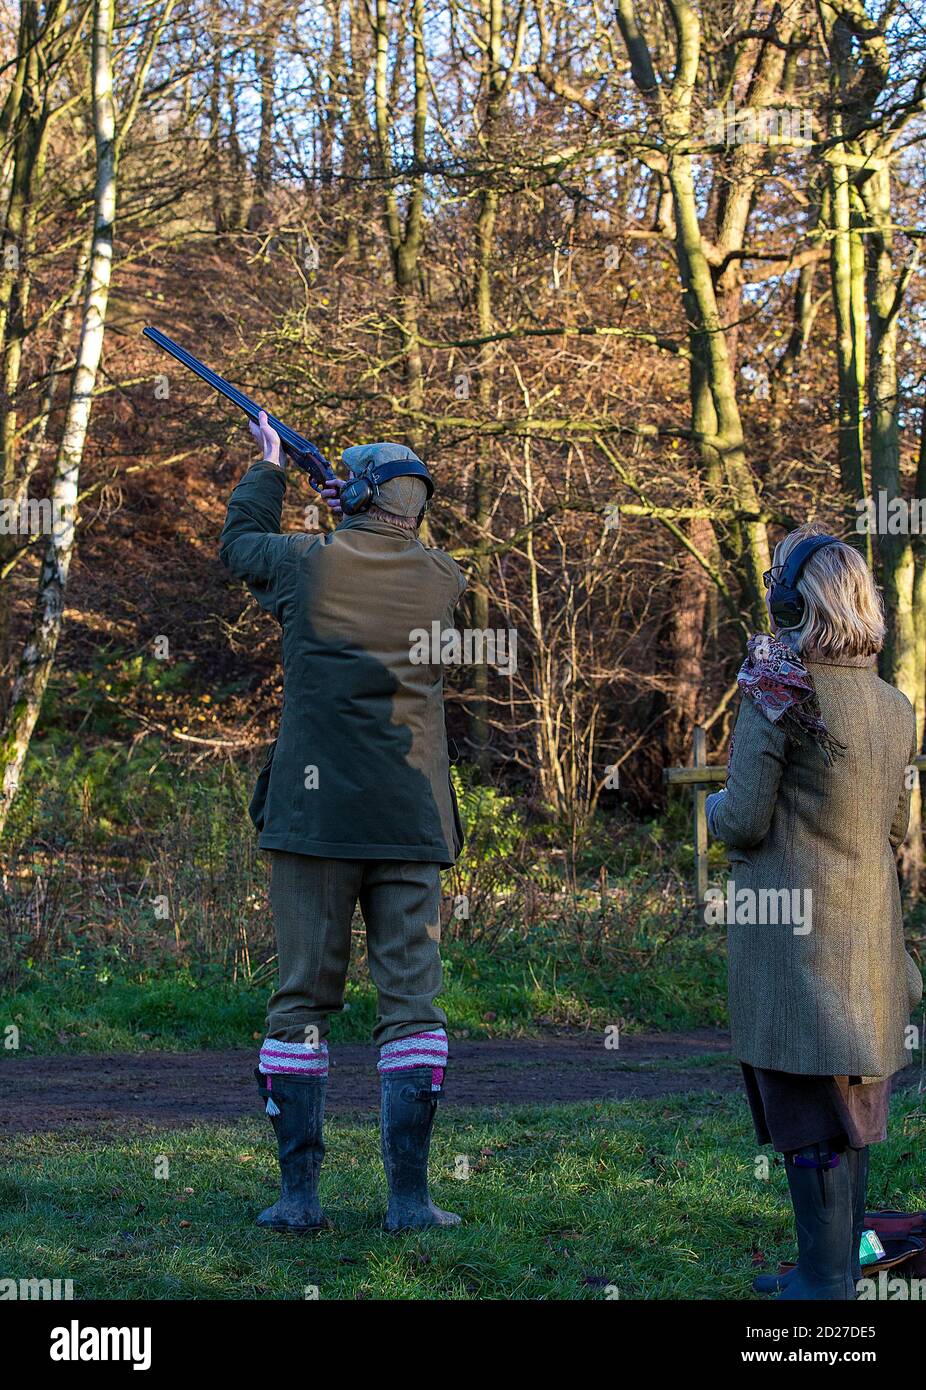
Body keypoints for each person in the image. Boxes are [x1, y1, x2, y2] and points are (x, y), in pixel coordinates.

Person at [219, 411, 467, 1232]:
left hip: (314, 819)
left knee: (301, 1002)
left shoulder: (305, 562)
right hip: (409, 818)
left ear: (352, 496)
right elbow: (375, 556)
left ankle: (298, 1199)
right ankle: (409, 1201)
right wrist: (346, 506)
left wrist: (271, 469)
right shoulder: (444, 578)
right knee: (412, 1008)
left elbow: (241, 547)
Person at [705, 524, 923, 1300]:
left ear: (794, 598)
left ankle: (827, 1284)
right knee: (851, 1115)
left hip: (794, 954)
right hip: (870, 951)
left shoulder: (778, 691)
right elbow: (895, 831)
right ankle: (836, 1267)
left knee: (807, 1118)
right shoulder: (896, 708)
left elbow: (744, 820)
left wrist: (710, 807)